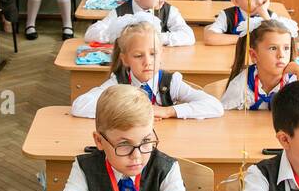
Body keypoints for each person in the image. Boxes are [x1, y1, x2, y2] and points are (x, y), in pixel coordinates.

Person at [48, 84, 195, 191]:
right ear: (99, 141)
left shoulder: (165, 168)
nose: (137, 156)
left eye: (146, 141)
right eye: (124, 145)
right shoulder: (85, 168)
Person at [72, 16, 222, 120]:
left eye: (153, 54)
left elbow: (215, 106)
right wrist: (136, 111)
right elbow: (79, 106)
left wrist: (167, 111)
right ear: (125, 59)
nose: (147, 62)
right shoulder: (118, 83)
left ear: (161, 53)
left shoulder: (170, 82)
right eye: (138, 56)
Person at [221, 17, 299, 111]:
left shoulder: (295, 80)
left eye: (286, 48)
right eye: (273, 48)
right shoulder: (240, 86)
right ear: (254, 55)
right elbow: (224, 120)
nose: (281, 55)